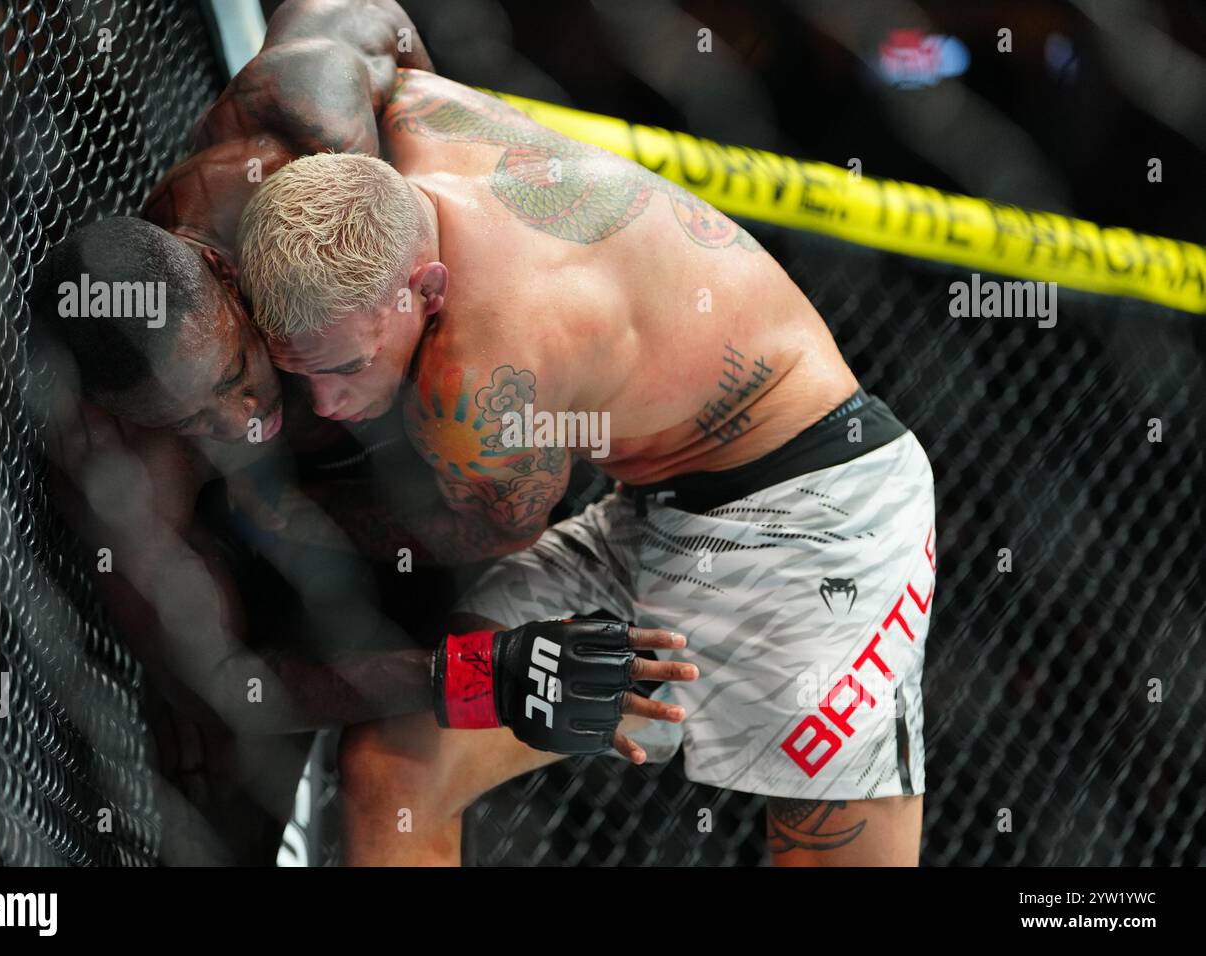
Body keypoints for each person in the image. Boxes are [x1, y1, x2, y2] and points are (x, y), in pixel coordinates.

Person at [33, 0, 694, 864]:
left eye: (235, 374)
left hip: (455, 468)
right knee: (207, 763)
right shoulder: (125, 468)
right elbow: (228, 684)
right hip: (292, 553)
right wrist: (476, 676)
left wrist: (421, 198)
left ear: (229, 273)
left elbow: (364, 17)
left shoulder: (297, 152)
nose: (239, 418)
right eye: (193, 419)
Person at [235, 67, 938, 865]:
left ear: (425, 289)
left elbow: (494, 528)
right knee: (394, 766)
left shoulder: (480, 380)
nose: (326, 402)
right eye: (302, 375)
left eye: (348, 366)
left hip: (818, 510)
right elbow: (356, 28)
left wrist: (281, 512)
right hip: (653, 506)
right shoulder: (417, 114)